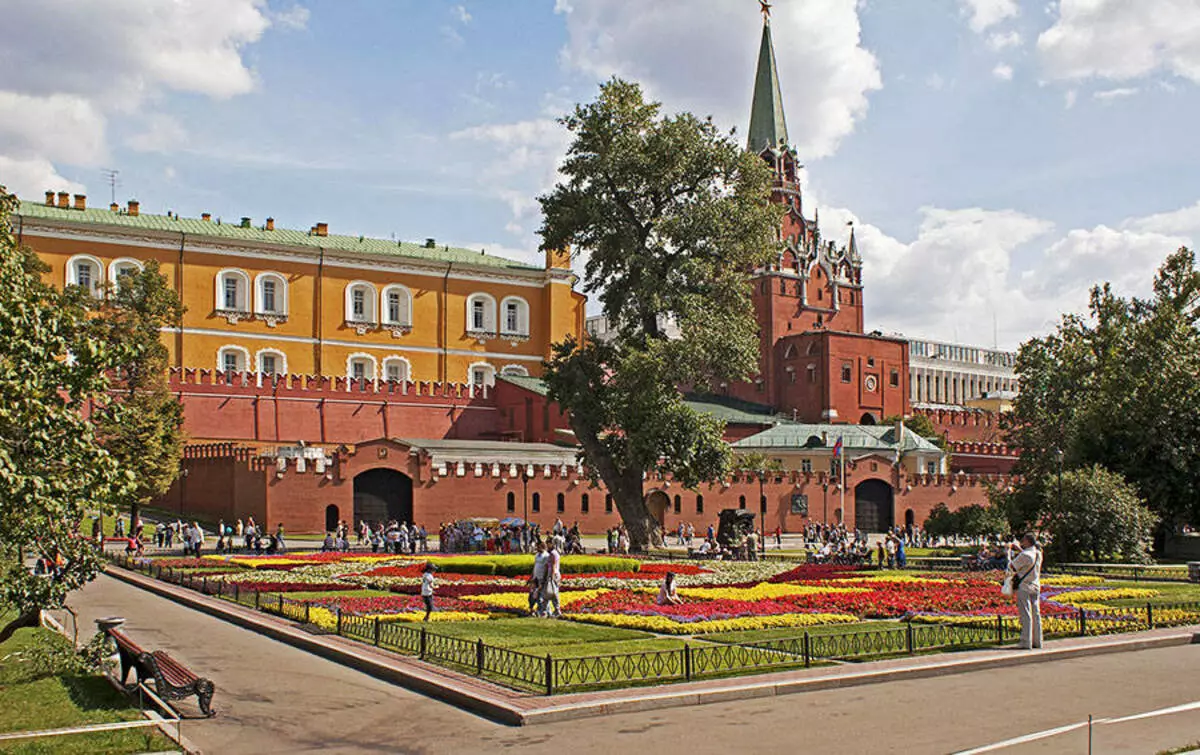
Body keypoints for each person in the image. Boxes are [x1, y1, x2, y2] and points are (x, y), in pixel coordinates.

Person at [1007, 533, 1043, 650]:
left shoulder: (1025, 555)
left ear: (1027, 541)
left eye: (1023, 540)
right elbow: (1028, 557)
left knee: (1026, 614)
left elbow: (1011, 566)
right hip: (1035, 585)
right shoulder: (1038, 553)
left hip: (1024, 586)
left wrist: (1009, 551)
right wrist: (1019, 549)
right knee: (1036, 613)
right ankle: (1037, 641)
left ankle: (1025, 641)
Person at [542, 541, 562, 618]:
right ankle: (549, 610)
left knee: (551, 591)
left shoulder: (553, 554)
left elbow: (553, 565)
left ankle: (550, 610)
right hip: (554, 573)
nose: (547, 546)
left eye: (548, 544)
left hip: (553, 574)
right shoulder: (554, 553)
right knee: (552, 592)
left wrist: (551, 576)